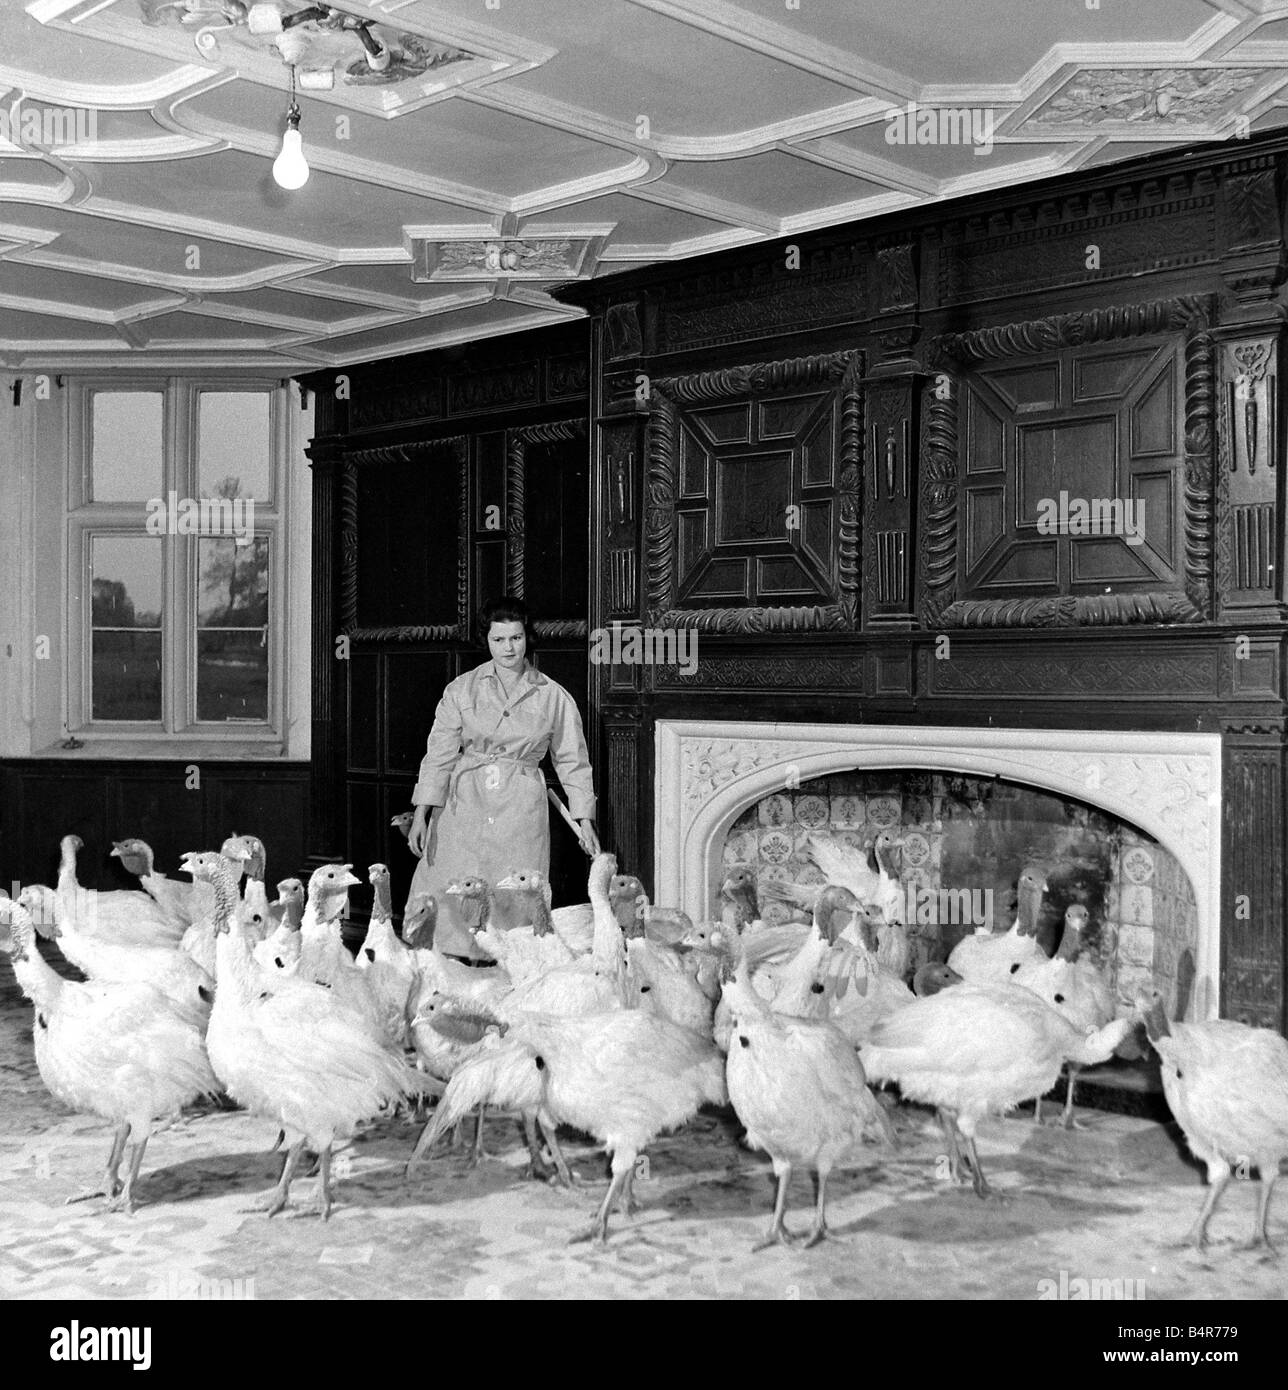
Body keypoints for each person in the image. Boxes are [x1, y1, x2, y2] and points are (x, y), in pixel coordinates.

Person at [405, 597, 600, 959]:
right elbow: (439, 754)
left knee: (513, 890)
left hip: (520, 807)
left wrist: (584, 819)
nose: (508, 648)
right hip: (464, 803)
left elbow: (573, 760)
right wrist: (421, 814)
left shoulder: (553, 696)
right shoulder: (462, 689)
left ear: (528, 638)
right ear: (487, 641)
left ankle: (508, 974)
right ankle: (453, 970)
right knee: (454, 886)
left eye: (516, 638)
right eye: (499, 640)